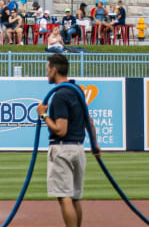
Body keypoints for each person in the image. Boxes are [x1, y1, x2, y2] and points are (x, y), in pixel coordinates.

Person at [37, 53, 100, 227]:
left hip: (62, 149)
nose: (47, 72)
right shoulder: (77, 90)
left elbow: (60, 129)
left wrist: (43, 115)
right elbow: (89, 121)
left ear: (54, 70)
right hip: (79, 148)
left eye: (48, 69)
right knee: (75, 197)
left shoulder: (59, 95)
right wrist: (95, 145)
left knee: (64, 197)